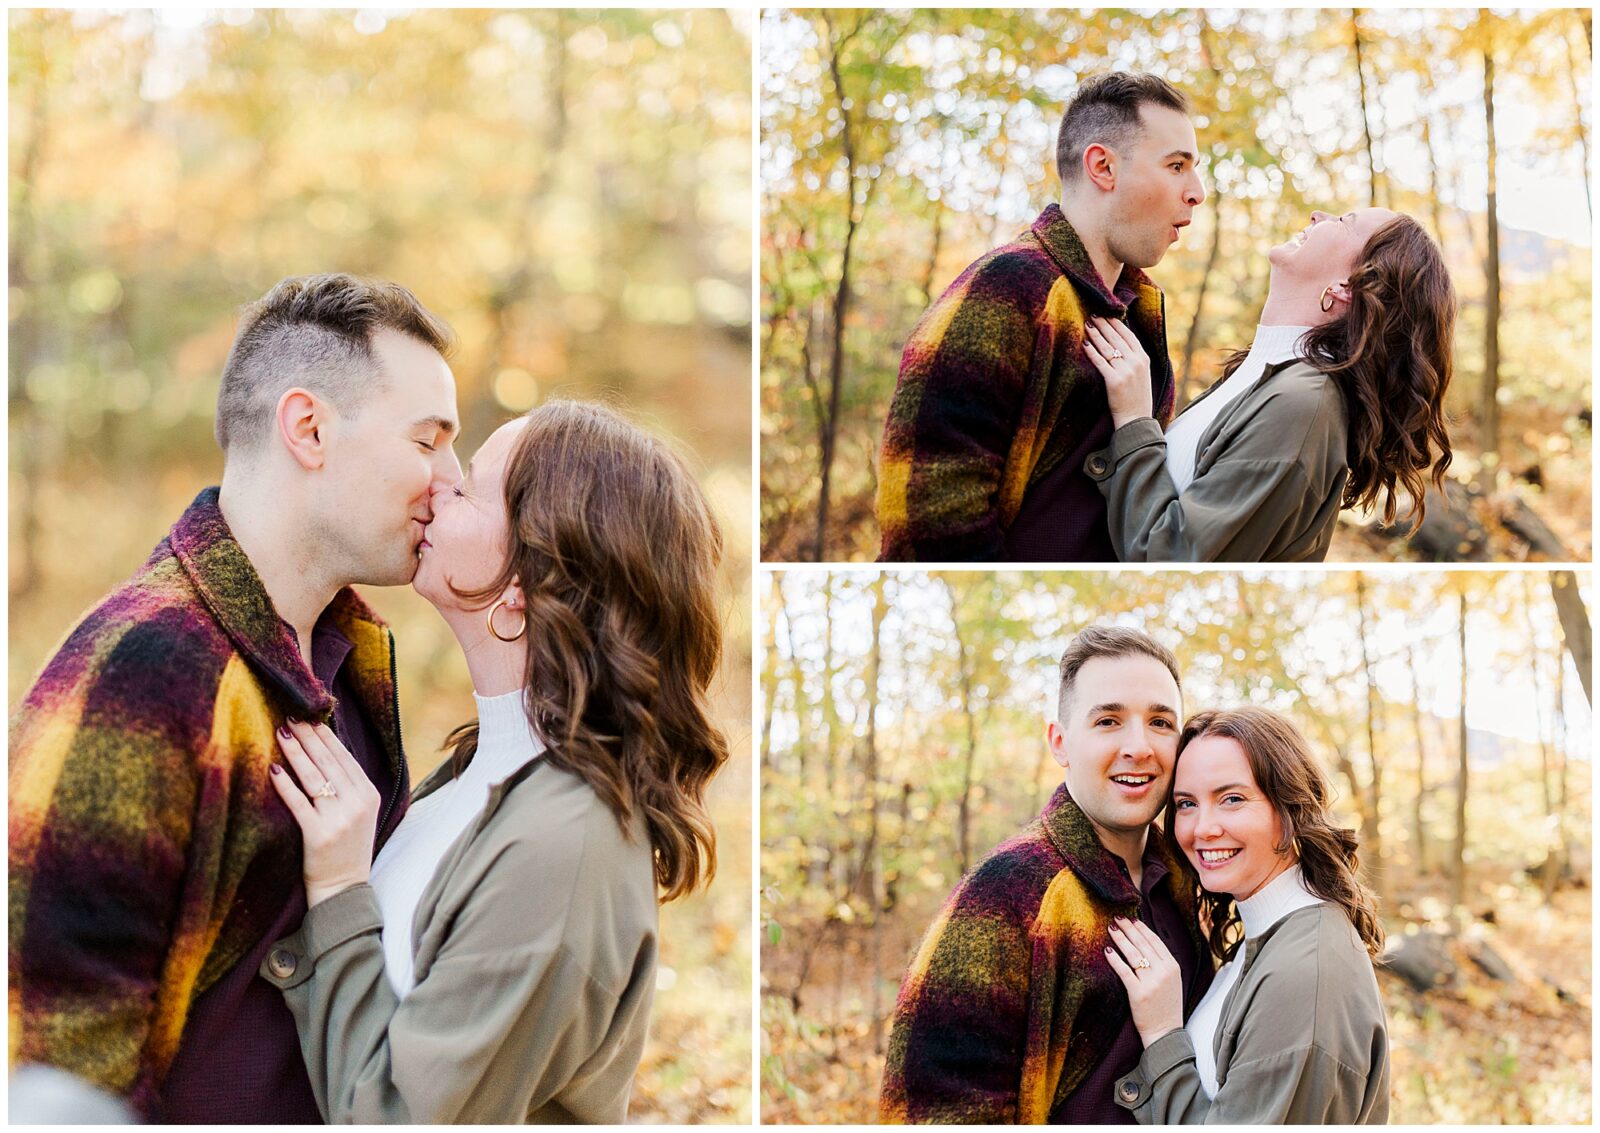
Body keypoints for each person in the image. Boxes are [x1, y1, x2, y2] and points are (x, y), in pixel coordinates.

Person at [8, 274, 463, 1121]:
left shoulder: (346, 659)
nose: (451, 477)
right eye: (429, 440)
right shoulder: (145, 672)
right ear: (310, 428)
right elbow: (65, 1071)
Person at [258, 400, 730, 1123]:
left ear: (523, 586)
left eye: (472, 488)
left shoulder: (566, 847)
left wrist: (340, 889)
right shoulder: (482, 772)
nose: (439, 482)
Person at [880, 626, 1213, 1123]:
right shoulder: (1009, 892)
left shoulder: (1192, 878)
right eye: (1108, 721)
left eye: (1161, 722)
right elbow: (931, 1111)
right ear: (1060, 743)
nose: (1139, 746)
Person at [877, 71, 1206, 562]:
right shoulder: (1008, 286)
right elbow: (931, 522)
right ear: (1103, 167)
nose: (1197, 191)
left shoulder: (1144, 313)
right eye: (1176, 166)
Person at [1082, 208, 1455, 561]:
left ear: (1347, 285)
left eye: (1344, 221)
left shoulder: (1302, 405)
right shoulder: (1266, 374)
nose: (1317, 216)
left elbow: (1172, 555)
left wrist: (1133, 422)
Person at [1105, 707, 1390, 1123]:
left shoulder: (1304, 973)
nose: (1202, 828)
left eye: (1232, 799)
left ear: (1289, 808)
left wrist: (1163, 1033)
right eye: (1186, 804)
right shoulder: (1266, 936)